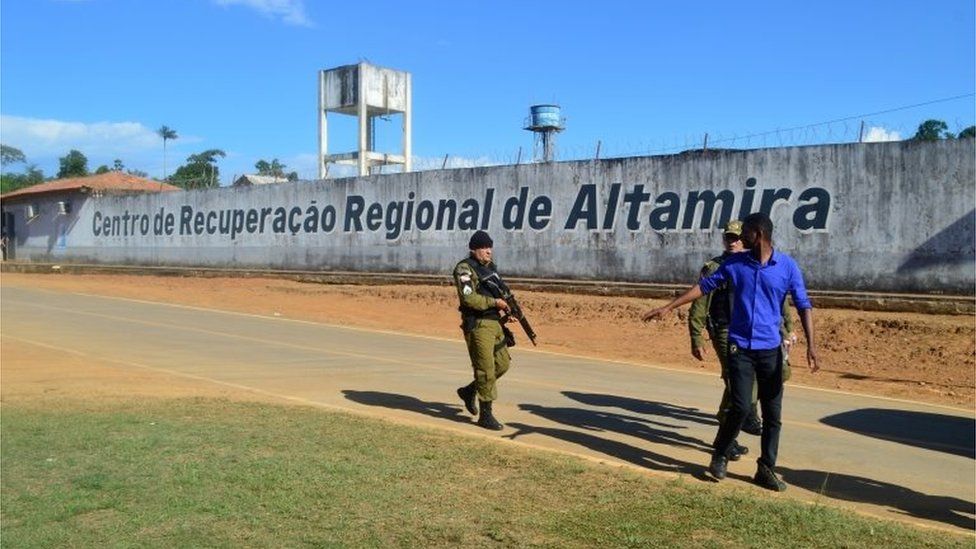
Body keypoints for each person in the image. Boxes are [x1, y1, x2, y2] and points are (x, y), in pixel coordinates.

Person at [642, 212, 819, 491]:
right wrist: (668, 307)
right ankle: (720, 453)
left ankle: (766, 468)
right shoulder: (735, 265)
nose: (739, 238)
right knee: (740, 406)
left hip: (770, 350)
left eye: (745, 232)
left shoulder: (787, 267)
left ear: (757, 234)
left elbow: (803, 304)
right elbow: (703, 287)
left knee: (773, 415)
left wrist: (811, 344)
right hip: (741, 349)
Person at [687, 220, 759, 461]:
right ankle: (725, 438)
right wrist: (696, 337)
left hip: (751, 333)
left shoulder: (754, 265)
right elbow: (699, 304)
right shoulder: (714, 266)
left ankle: (727, 436)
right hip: (725, 331)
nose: (733, 242)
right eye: (729, 237)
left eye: (737, 238)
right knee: (735, 381)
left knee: (745, 383)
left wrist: (785, 328)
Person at [454, 230, 513, 431]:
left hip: (495, 323)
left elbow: (501, 292)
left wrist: (507, 308)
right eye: (484, 248)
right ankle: (486, 415)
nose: (488, 251)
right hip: (478, 325)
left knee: (503, 364)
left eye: (490, 247)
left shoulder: (491, 269)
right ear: (474, 249)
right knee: (485, 369)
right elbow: (469, 299)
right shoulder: (465, 269)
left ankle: (470, 390)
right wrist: (494, 302)